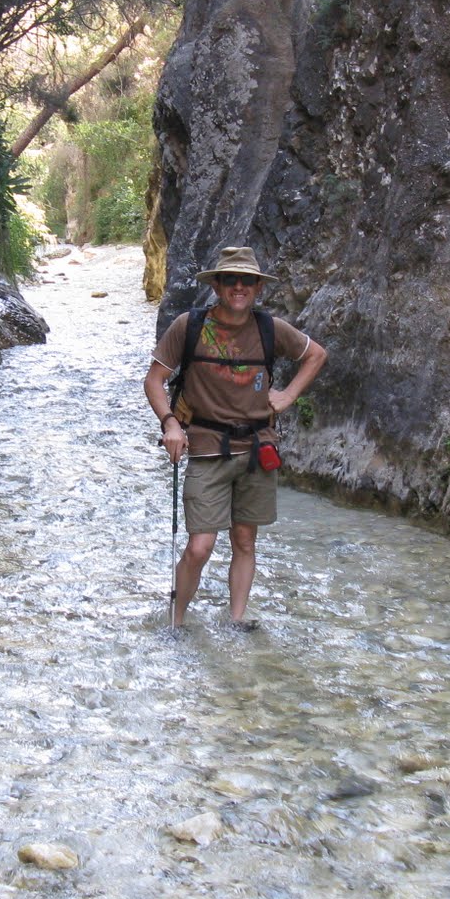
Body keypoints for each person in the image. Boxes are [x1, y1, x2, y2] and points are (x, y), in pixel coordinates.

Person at [144, 247, 327, 627]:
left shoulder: (269, 329)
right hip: (207, 449)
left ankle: (236, 619)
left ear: (258, 287)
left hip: (257, 449)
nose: (239, 287)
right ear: (217, 285)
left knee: (245, 541)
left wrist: (288, 395)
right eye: (231, 279)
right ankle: (176, 621)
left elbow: (316, 355)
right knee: (200, 547)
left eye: (247, 280)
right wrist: (170, 424)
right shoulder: (188, 326)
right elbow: (154, 380)